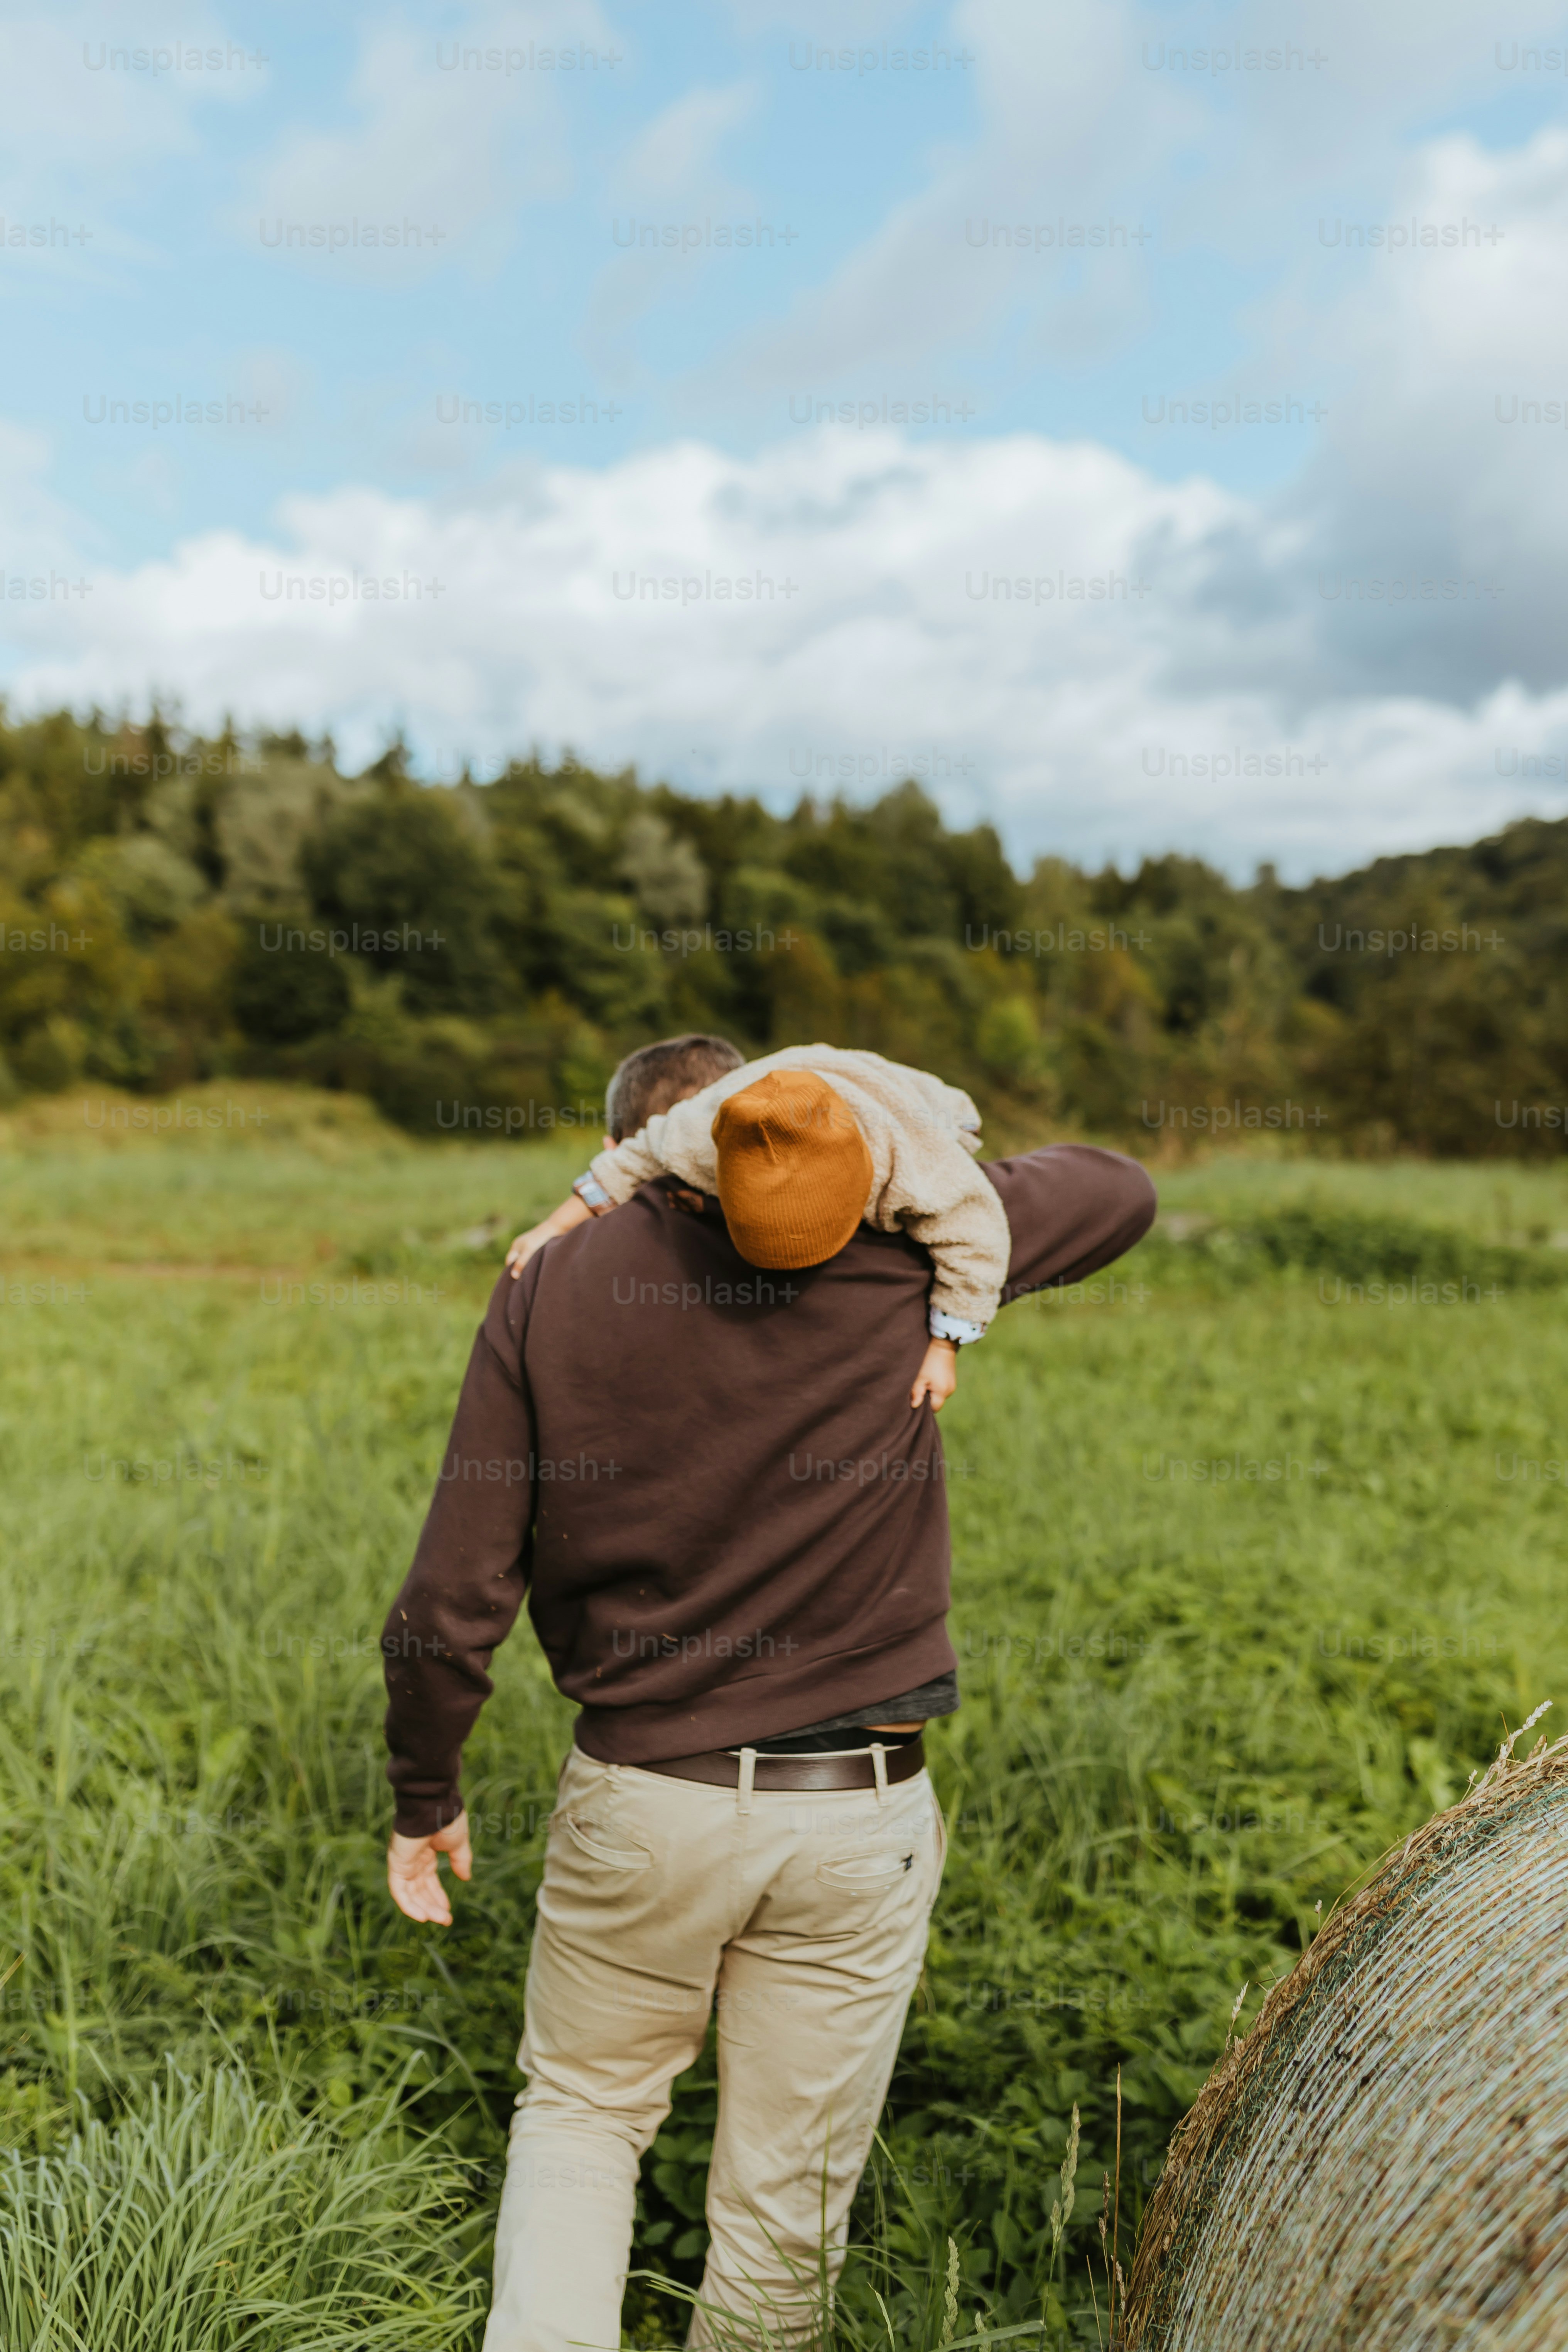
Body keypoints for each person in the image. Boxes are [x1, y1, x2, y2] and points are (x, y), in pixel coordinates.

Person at [381, 1041, 1156, 2351]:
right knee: (785, 2197)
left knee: (582, 2111)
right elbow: (1117, 1187)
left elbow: (452, 1599)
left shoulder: (551, 1282)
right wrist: (884, 1137)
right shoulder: (896, 1248)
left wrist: (424, 1795)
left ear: (639, 1144)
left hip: (646, 1799)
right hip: (859, 1807)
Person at [508, 1045, 1013, 1414]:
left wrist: (945, 1347)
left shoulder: (915, 1163)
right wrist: (551, 1226)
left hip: (900, 1095)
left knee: (962, 1134)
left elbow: (978, 1237)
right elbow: (626, 1162)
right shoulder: (695, 1134)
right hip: (775, 1081)